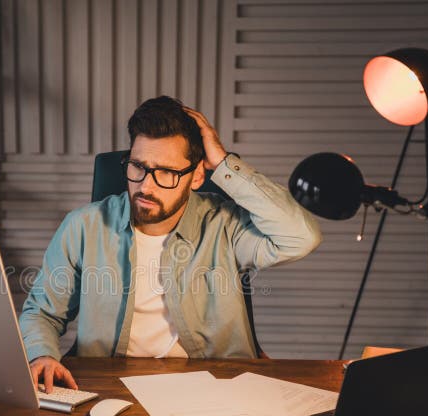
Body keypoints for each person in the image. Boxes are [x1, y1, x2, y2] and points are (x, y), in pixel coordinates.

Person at [20, 96, 322, 392]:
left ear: (196, 176)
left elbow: (301, 236)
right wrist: (42, 355)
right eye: (138, 166)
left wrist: (224, 164)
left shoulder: (224, 225)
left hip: (216, 388)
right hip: (111, 387)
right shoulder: (84, 226)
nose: (146, 186)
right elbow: (43, 312)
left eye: (167, 172)